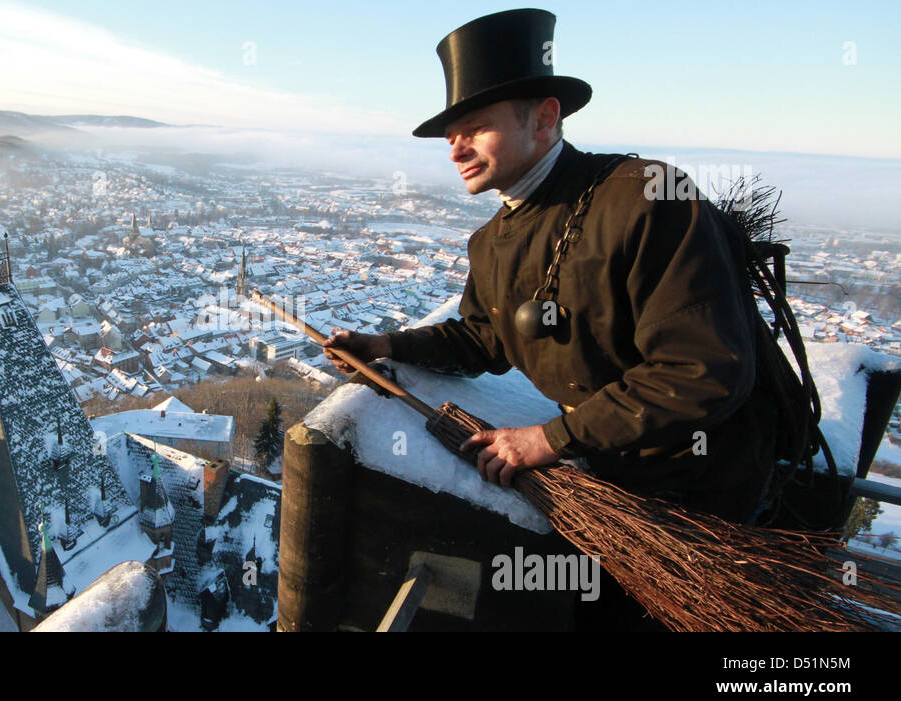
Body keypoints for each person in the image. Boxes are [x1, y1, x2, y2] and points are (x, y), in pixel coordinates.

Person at [324, 9, 778, 529]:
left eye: (475, 128)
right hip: (608, 477)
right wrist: (382, 346)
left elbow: (703, 370)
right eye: (451, 135)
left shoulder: (646, 198)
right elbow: (482, 341)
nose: (456, 150)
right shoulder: (492, 242)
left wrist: (550, 439)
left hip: (700, 490)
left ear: (543, 118)